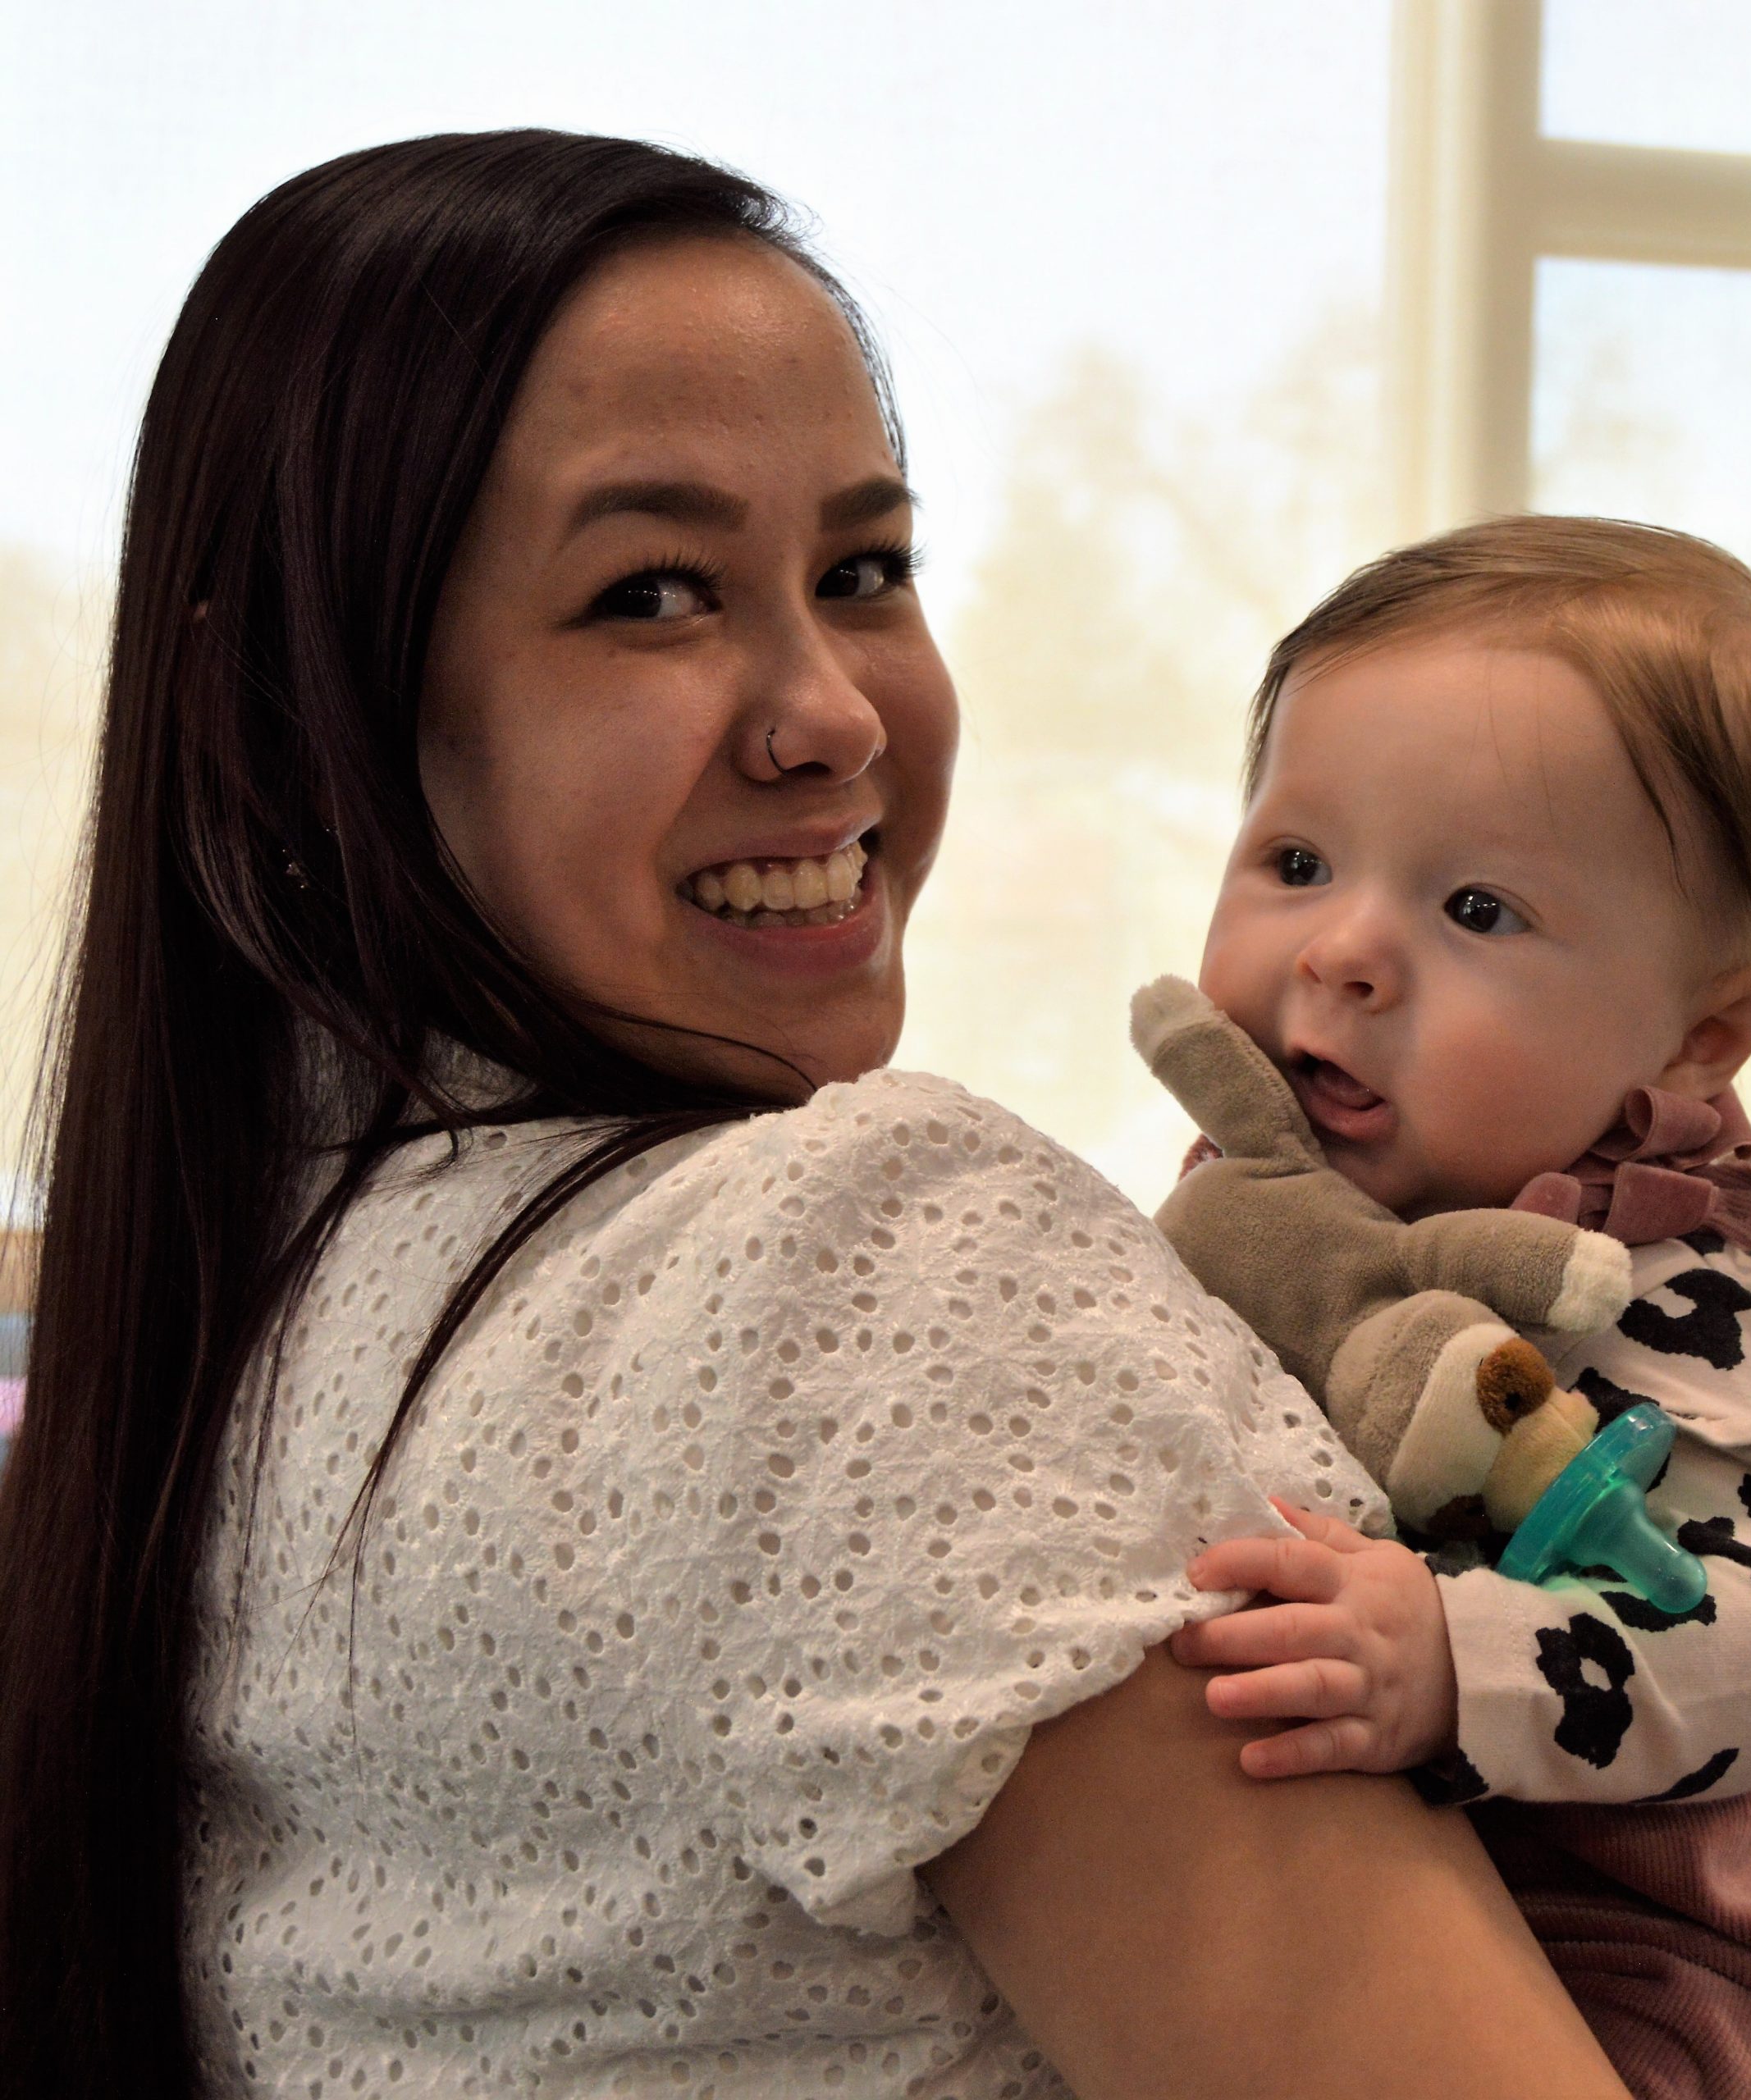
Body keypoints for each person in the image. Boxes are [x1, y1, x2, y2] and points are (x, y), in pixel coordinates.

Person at [0, 133, 1633, 2098]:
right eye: (653, 592)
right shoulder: (866, 1262)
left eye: (863, 568)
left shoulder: (236, 1334)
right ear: (291, 712)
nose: (835, 712)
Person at [1145, 519, 1751, 2098]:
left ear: (1698, 1040)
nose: (1346, 950)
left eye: (1480, 913)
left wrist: (1457, 1656)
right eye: (1298, 862)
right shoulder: (1298, 1204)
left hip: (1664, 1988)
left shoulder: (1694, 1288)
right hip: (1413, 1902)